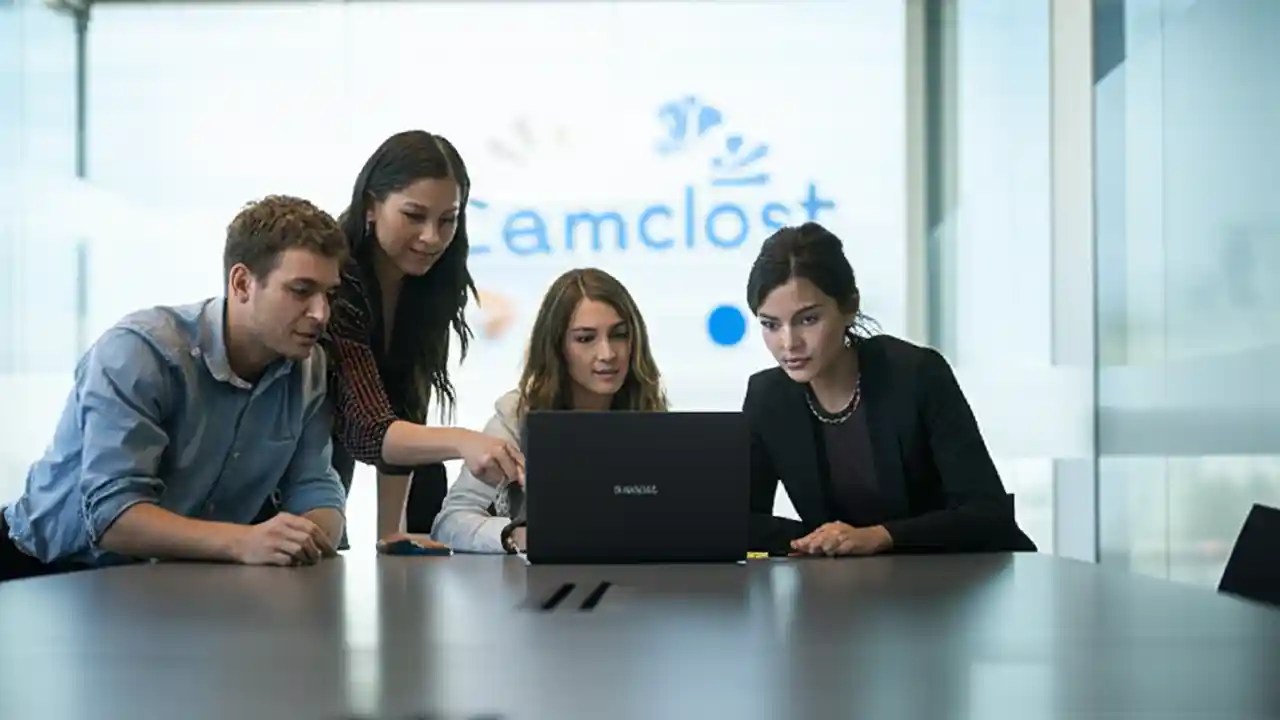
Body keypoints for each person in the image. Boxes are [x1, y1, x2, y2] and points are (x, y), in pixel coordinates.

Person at [0, 195, 349, 582]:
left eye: (328, 294)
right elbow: (113, 517)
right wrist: (244, 542)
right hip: (47, 571)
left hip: (168, 577)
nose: (321, 314)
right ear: (242, 283)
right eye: (301, 291)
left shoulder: (309, 368)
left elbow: (315, 488)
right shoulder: (141, 352)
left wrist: (306, 538)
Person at [743, 222, 1035, 557]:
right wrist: (821, 539)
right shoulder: (769, 397)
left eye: (808, 320)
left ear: (849, 306)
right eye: (770, 324)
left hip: (965, 581)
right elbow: (741, 521)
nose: (789, 343)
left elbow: (986, 513)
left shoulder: (915, 374)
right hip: (855, 591)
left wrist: (881, 536)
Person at [325, 130, 525, 544]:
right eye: (414, 216)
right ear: (370, 208)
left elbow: (405, 411)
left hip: (343, 460)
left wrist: (390, 537)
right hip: (299, 461)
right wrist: (463, 441)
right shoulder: (333, 279)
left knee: (426, 478)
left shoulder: (433, 286)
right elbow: (370, 428)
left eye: (447, 220)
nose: (432, 237)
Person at [431, 268, 668, 553]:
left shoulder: (650, 415)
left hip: (639, 587)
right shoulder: (516, 416)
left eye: (619, 335)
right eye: (585, 338)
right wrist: (516, 536)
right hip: (543, 588)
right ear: (557, 347)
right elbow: (450, 522)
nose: (607, 353)